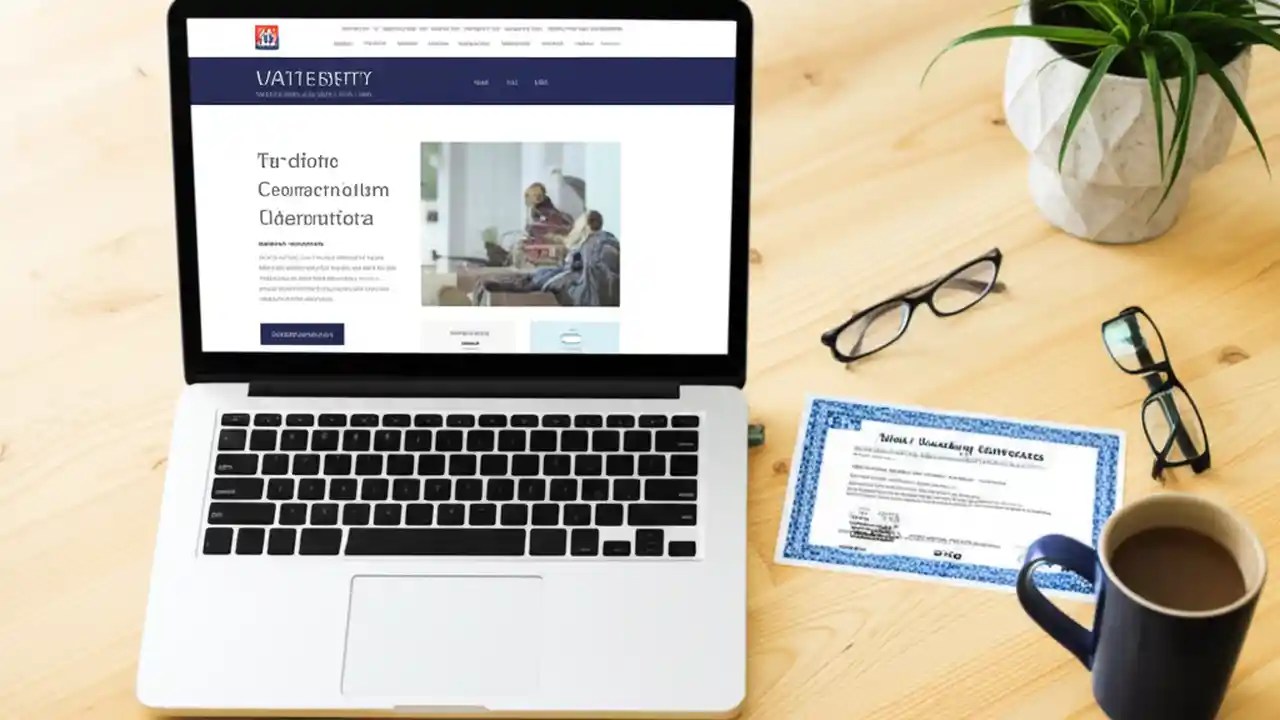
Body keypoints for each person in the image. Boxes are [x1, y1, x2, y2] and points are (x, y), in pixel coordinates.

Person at [473, 210, 620, 307]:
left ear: (583, 227)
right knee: (535, 276)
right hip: (601, 298)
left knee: (534, 278)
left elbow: (569, 274)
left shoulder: (590, 246)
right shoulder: (607, 242)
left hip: (585, 298)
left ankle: (490, 285)